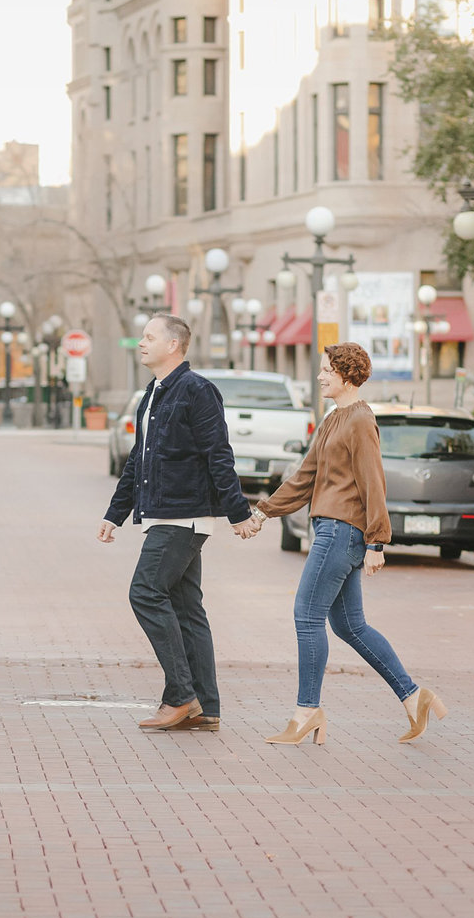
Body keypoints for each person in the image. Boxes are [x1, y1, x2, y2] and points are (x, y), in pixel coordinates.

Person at [240, 343, 443, 745]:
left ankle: (307, 711)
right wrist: (262, 513)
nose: (319, 377)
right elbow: (304, 477)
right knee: (350, 625)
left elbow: (373, 482)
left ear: (347, 375)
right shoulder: (333, 419)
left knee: (307, 615)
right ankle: (414, 696)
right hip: (330, 529)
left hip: (341, 532)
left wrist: (377, 542)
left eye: (326, 371)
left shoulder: (360, 421)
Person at [97, 314, 261, 732]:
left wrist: (238, 512)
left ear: (174, 345)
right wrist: (115, 513)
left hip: (183, 515)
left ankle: (180, 696)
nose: (141, 343)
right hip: (162, 513)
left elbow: (218, 454)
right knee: (187, 609)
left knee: (146, 592)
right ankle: (205, 705)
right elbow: (139, 459)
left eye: (150, 337)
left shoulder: (197, 390)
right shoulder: (152, 393)